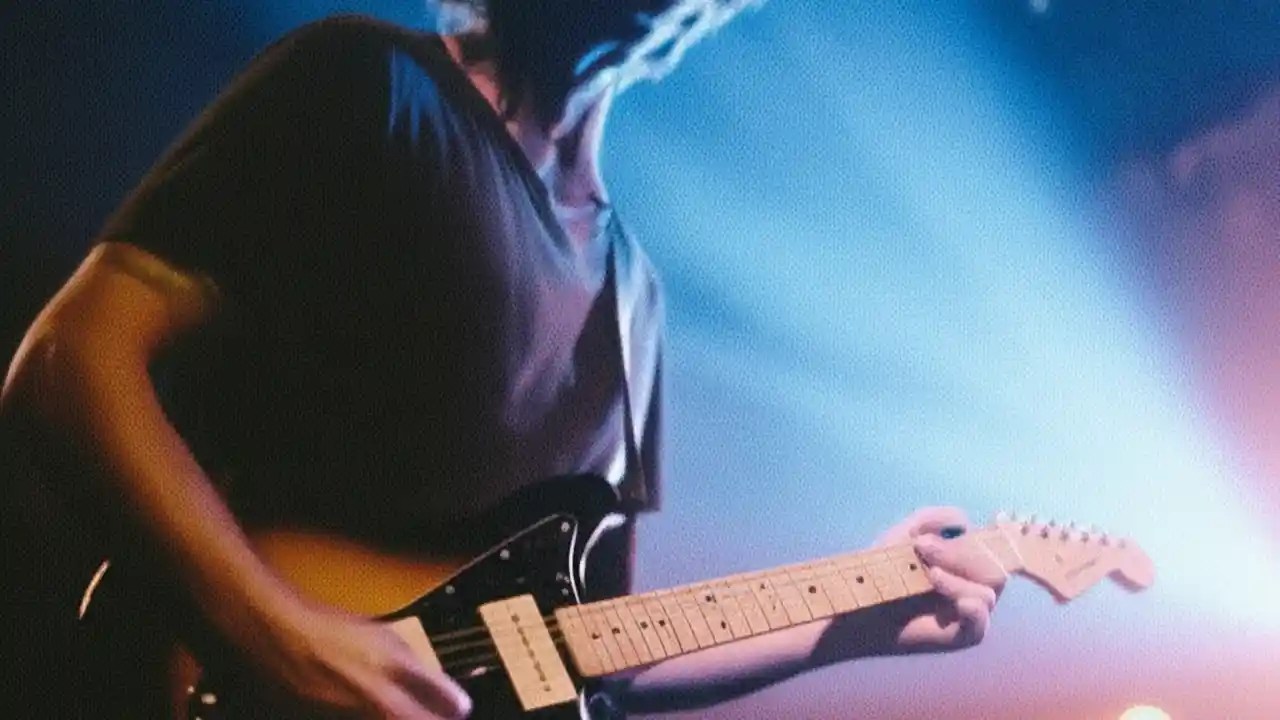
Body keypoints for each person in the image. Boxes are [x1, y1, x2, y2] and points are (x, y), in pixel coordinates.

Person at [0, 1, 1008, 717]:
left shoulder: (635, 299)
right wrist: (269, 634)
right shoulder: (363, 84)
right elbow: (69, 361)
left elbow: (584, 644)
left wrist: (849, 616)